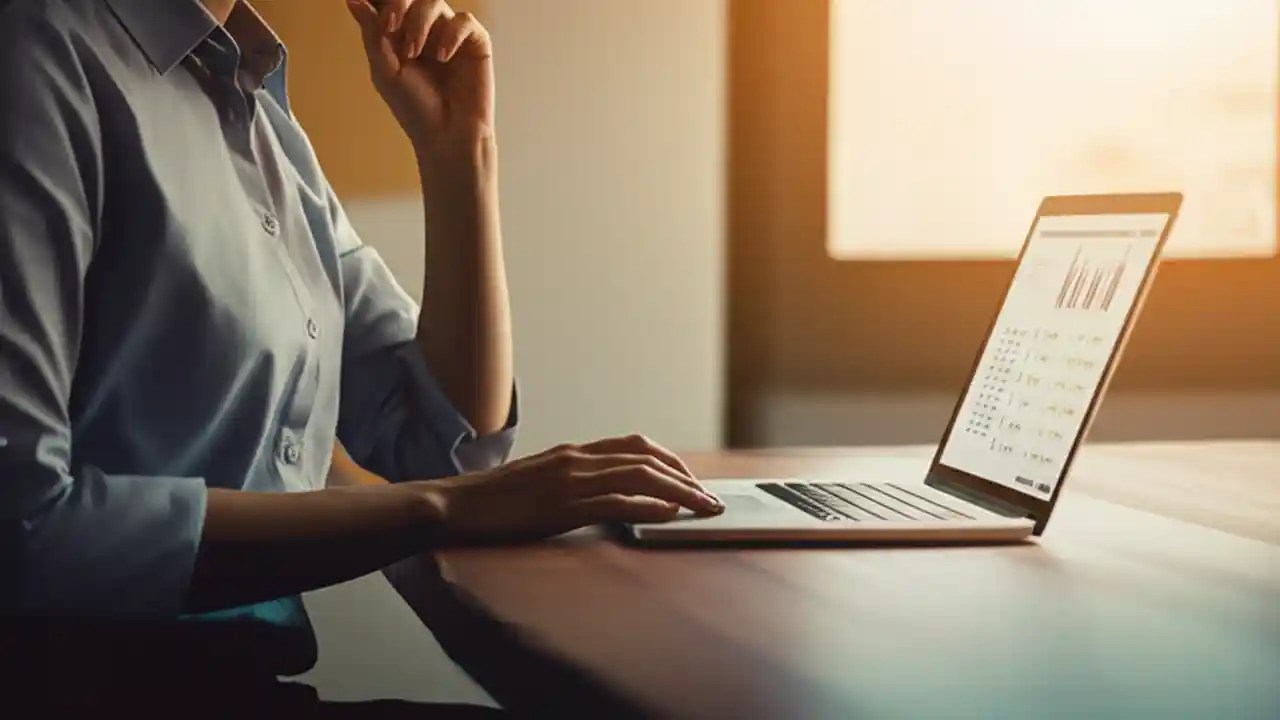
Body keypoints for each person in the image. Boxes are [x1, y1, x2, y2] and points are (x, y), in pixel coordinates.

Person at [0, 0, 723, 713]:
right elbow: (25, 529)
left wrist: (459, 154)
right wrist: (442, 509)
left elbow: (441, 445)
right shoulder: (36, 53)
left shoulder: (246, 99)